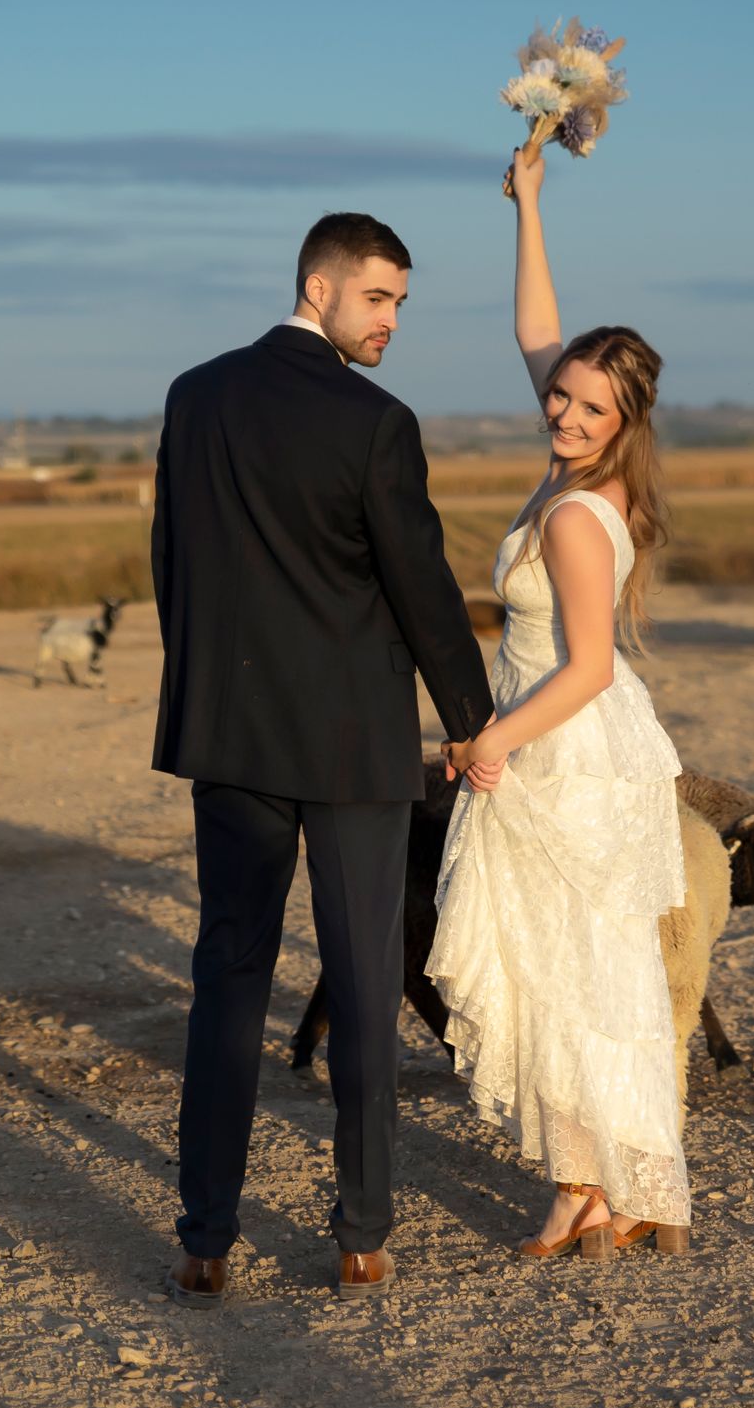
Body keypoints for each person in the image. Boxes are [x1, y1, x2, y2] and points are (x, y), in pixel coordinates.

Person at [149, 212, 495, 1305]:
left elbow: (175, 567)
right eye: (380, 298)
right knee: (359, 981)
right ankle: (360, 1232)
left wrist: (213, 688)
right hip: (353, 746)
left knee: (227, 980)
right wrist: (470, 714)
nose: (393, 320)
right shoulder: (375, 421)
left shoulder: (193, 395)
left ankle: (205, 1234)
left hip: (233, 736)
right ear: (321, 285)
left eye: (400, 301)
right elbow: (420, 585)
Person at [424, 142, 692, 1258]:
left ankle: (607, 1179)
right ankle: (586, 1179)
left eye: (590, 406)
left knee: (582, 969)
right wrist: (529, 202)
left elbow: (584, 665)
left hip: (565, 743)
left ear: (624, 420)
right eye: (561, 394)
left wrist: (489, 739)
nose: (565, 412)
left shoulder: (580, 514)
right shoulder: (575, 470)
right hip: (557, 735)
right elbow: (538, 327)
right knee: (555, 963)